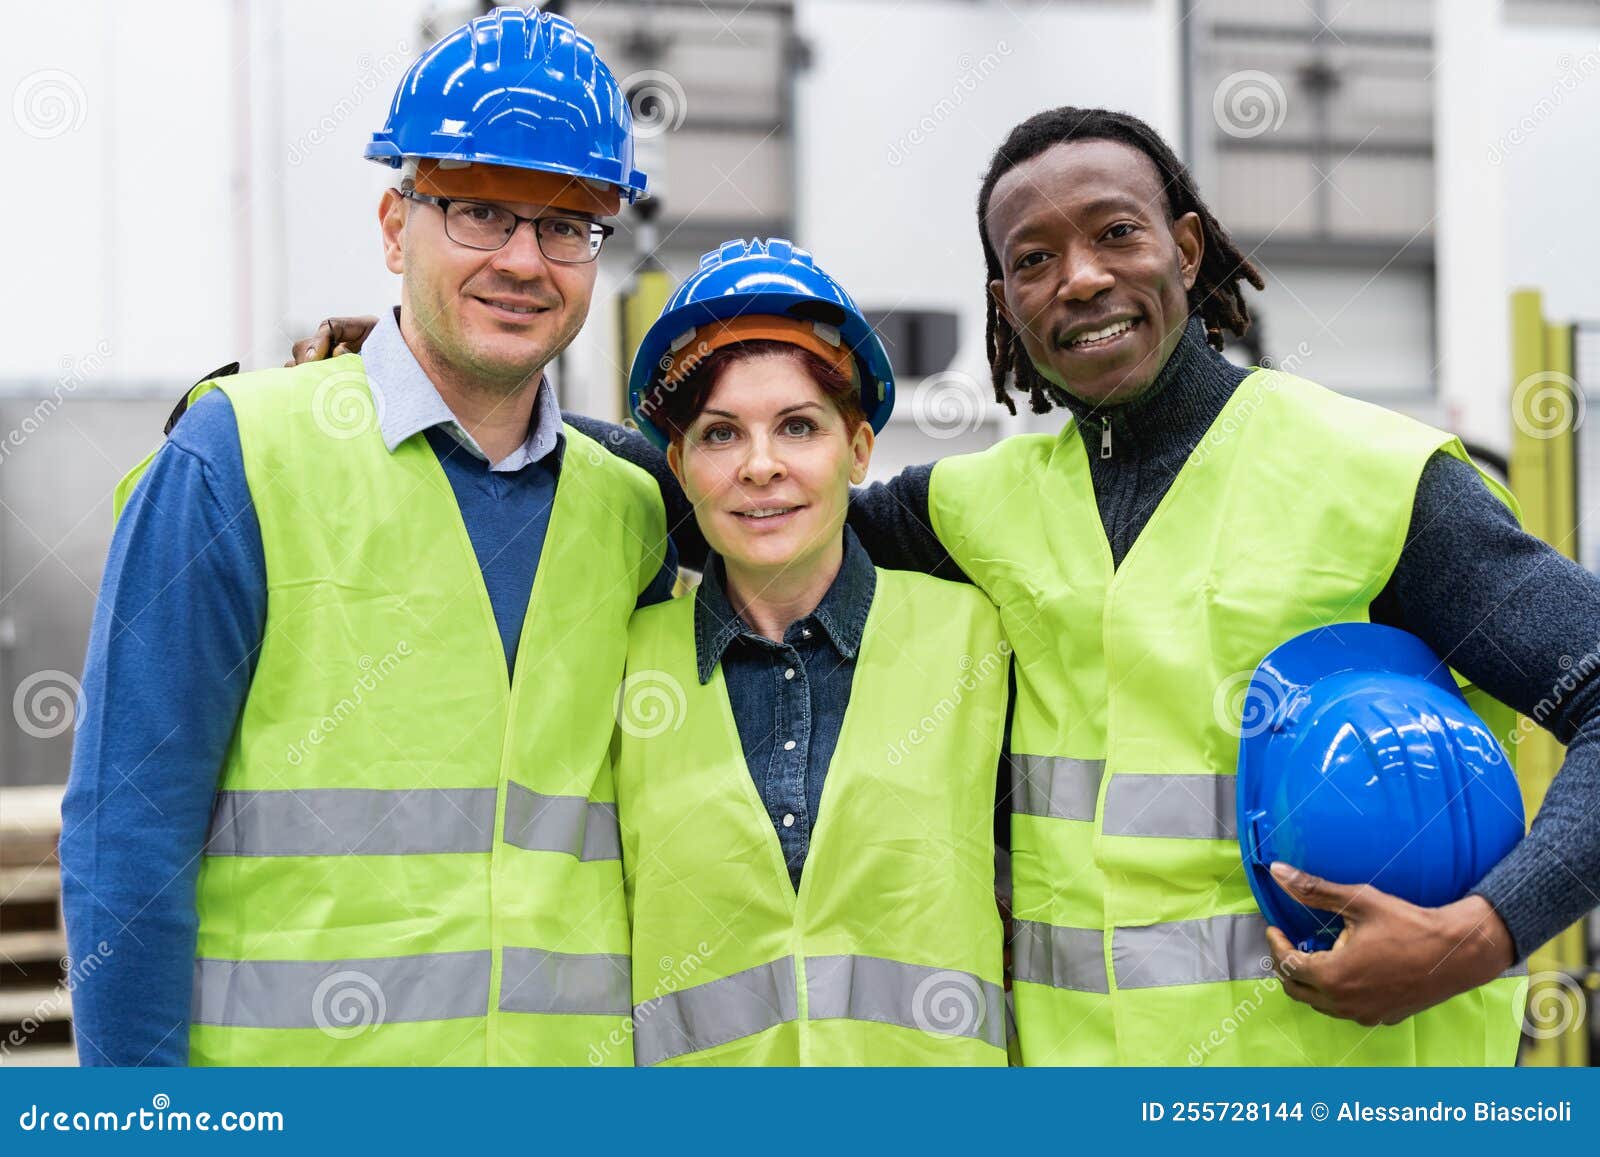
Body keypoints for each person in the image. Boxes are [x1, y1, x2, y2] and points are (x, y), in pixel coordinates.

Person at [285, 107, 1600, 1066]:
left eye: (1115, 234)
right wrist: (444, 383)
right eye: (1031, 259)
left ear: (1189, 248)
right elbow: (753, 500)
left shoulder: (1371, 479)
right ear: (1002, 303)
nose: (1079, 277)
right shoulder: (979, 509)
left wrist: (1487, 930)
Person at [61, 7, 674, 1066]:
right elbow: (129, 838)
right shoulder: (238, 459)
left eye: (567, 225)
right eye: (479, 211)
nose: (524, 259)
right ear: (396, 227)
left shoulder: (633, 510)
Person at [613, 238, 1010, 1066]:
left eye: (798, 426)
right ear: (678, 465)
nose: (761, 466)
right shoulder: (623, 668)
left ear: (858, 450)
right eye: (721, 434)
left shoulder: (977, 640)